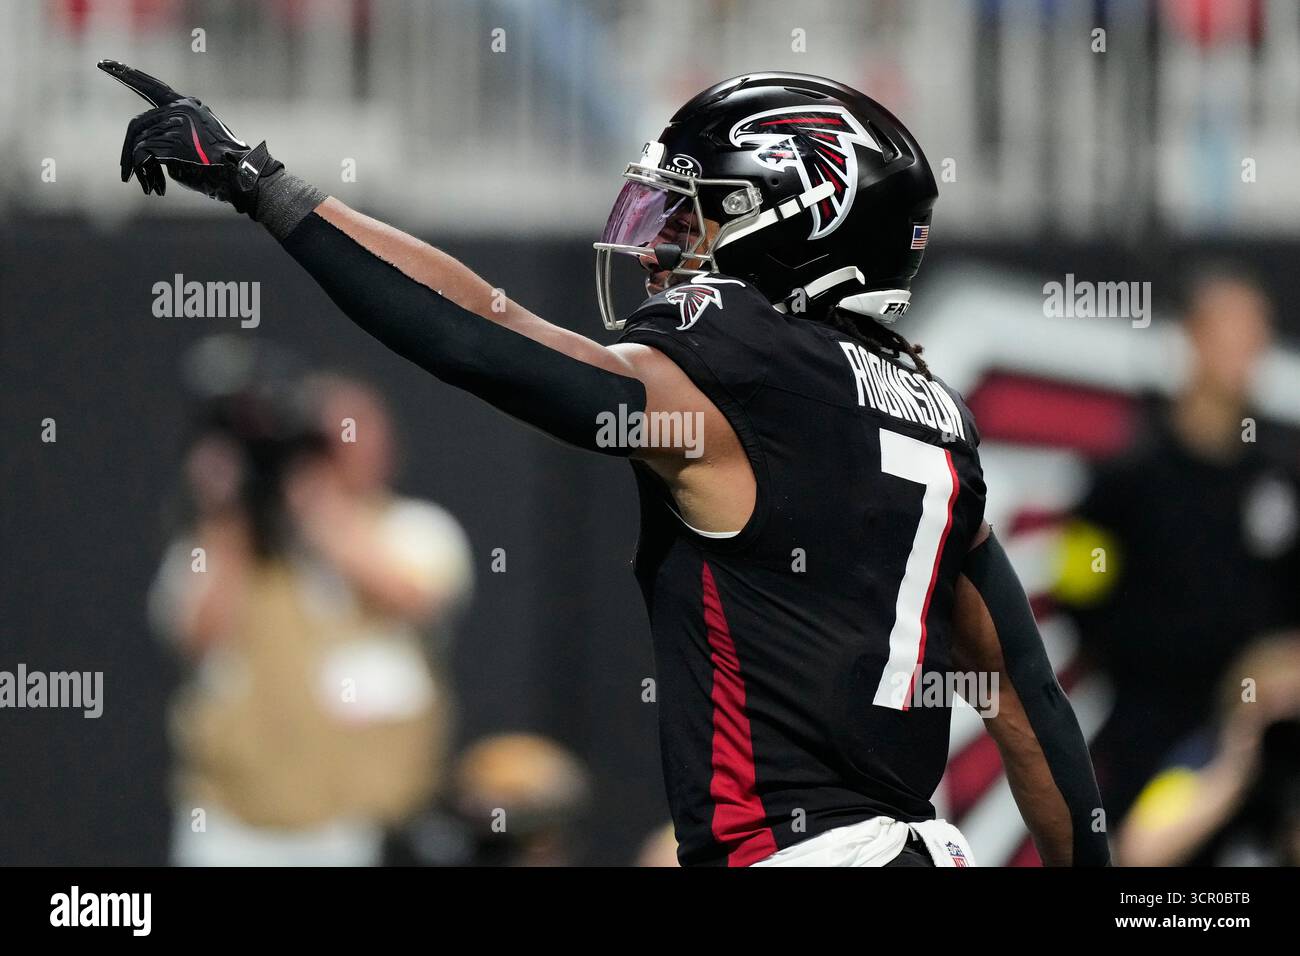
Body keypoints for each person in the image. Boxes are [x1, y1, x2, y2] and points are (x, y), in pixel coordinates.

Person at [107, 63, 1107, 866]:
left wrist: (261, 184)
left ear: (798, 218)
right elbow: (1026, 701)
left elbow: (484, 341)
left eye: (699, 211)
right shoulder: (931, 410)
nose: (668, 240)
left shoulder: (741, 370)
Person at [149, 361, 473, 866]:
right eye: (330, 434)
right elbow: (194, 636)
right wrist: (230, 513)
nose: (347, 446)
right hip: (234, 824)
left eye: (358, 430)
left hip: (363, 827)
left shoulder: (414, 529)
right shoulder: (222, 543)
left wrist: (313, 503)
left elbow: (412, 595)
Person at [1060, 269, 1300, 819]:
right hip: (1152, 734)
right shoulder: (1125, 478)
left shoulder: (1280, 476)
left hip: (1260, 738)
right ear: (1192, 338)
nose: (1246, 355)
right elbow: (1077, 592)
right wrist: (1157, 662)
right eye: (1231, 336)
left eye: (1256, 339)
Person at [1117, 634, 1300, 866]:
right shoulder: (1202, 758)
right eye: (1267, 707)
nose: (1282, 726)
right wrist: (1234, 775)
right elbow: (1137, 855)